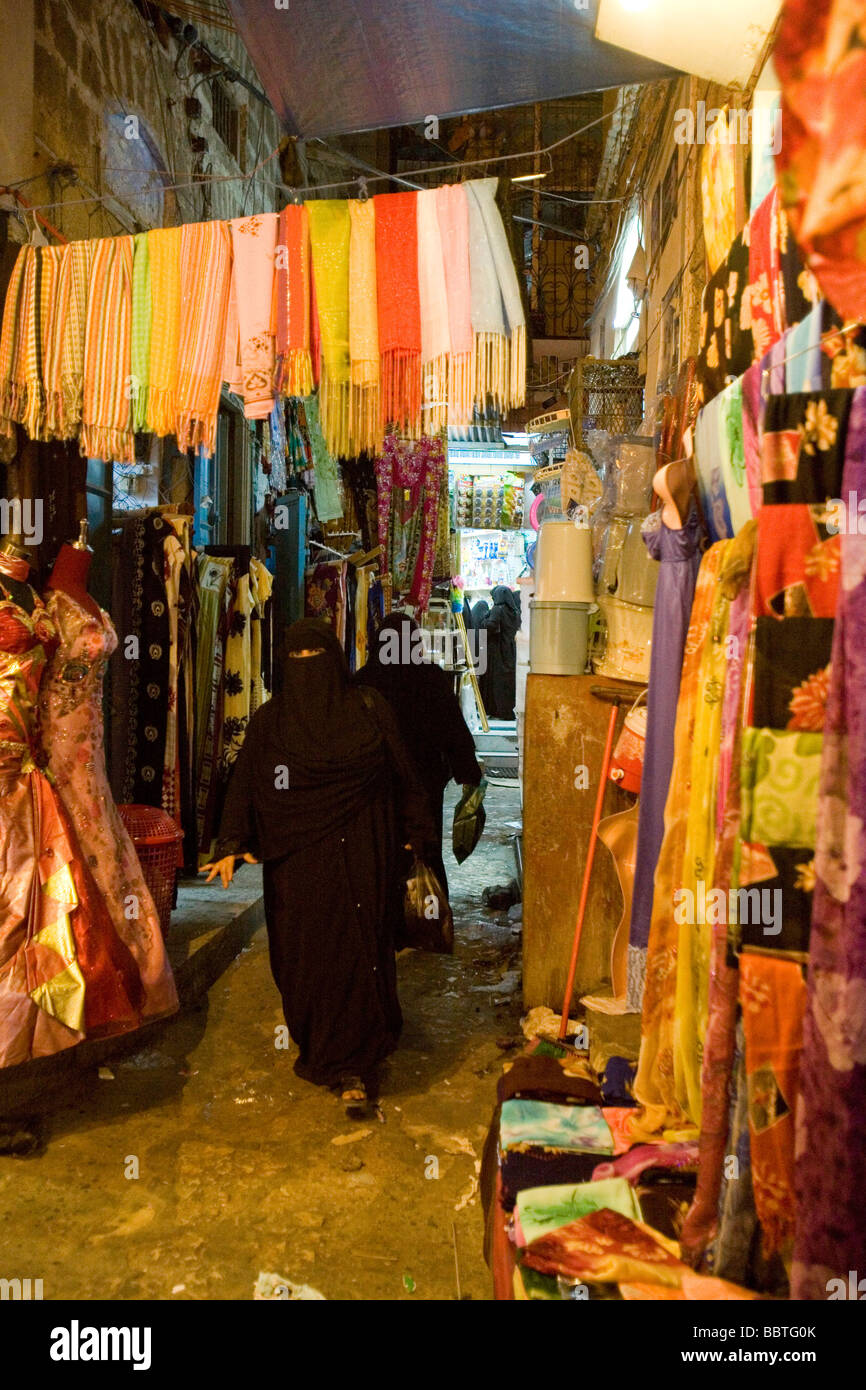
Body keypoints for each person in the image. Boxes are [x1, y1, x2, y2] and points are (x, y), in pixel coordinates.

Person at [201, 619, 435, 1116]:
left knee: (361, 945)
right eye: (298, 663)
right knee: (309, 958)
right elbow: (246, 781)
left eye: (317, 661)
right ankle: (324, 1046)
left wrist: (418, 839)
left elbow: (405, 774)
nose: (308, 672)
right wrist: (230, 842)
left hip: (366, 850)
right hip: (298, 863)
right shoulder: (271, 723)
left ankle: (356, 1063)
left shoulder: (369, 708)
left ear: (336, 662)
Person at [355, 612, 482, 897]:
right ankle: (426, 915)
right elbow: (452, 728)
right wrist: (468, 772)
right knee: (424, 848)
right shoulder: (430, 677)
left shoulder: (363, 681)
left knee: (381, 851)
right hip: (424, 782)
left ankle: (387, 921)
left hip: (375, 785)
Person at [478, 585, 521, 720]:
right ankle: (508, 710)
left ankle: (497, 710)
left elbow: (491, 626)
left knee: (497, 681)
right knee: (508, 681)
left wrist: (483, 621)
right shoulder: (514, 611)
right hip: (510, 650)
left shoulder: (498, 609)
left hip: (498, 650)